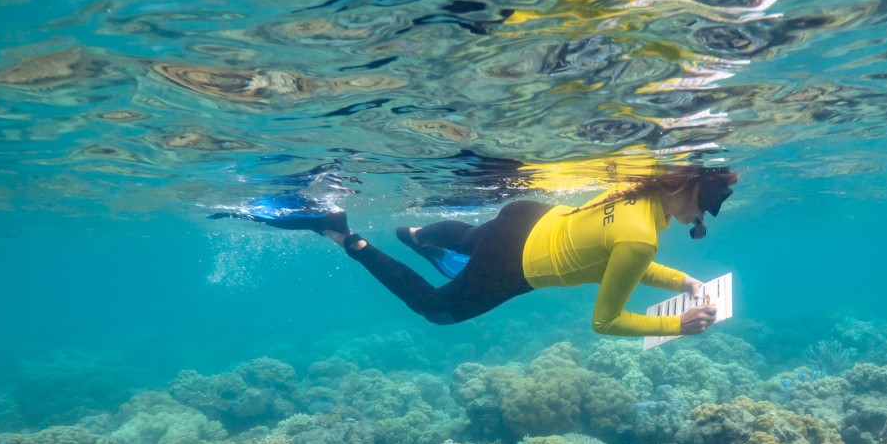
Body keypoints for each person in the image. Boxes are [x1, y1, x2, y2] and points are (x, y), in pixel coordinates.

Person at [222, 166, 737, 338]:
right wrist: (679, 324)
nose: (702, 218)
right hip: (517, 265)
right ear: (686, 187)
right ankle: (344, 235)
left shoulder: (637, 190)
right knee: (438, 310)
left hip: (527, 216)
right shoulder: (642, 236)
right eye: (706, 206)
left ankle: (422, 233)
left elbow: (615, 253)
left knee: (473, 240)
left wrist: (684, 284)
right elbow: (605, 322)